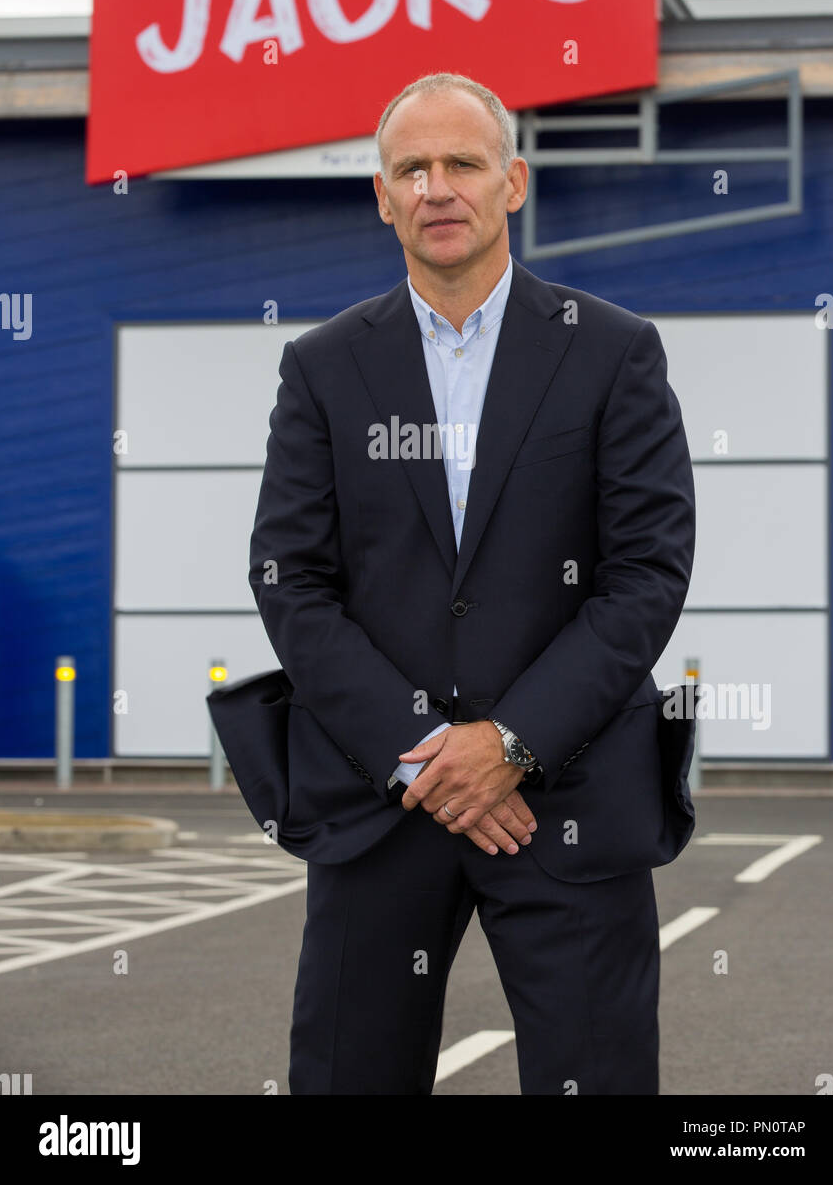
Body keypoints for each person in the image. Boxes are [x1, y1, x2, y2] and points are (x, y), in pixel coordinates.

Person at [248, 71, 696, 1095]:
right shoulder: (321, 368)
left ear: (512, 184)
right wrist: (424, 759)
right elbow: (290, 579)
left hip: (565, 802)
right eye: (411, 168)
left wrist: (508, 742)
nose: (435, 187)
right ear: (380, 196)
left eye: (462, 163)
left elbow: (642, 574)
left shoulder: (614, 352)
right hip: (380, 801)